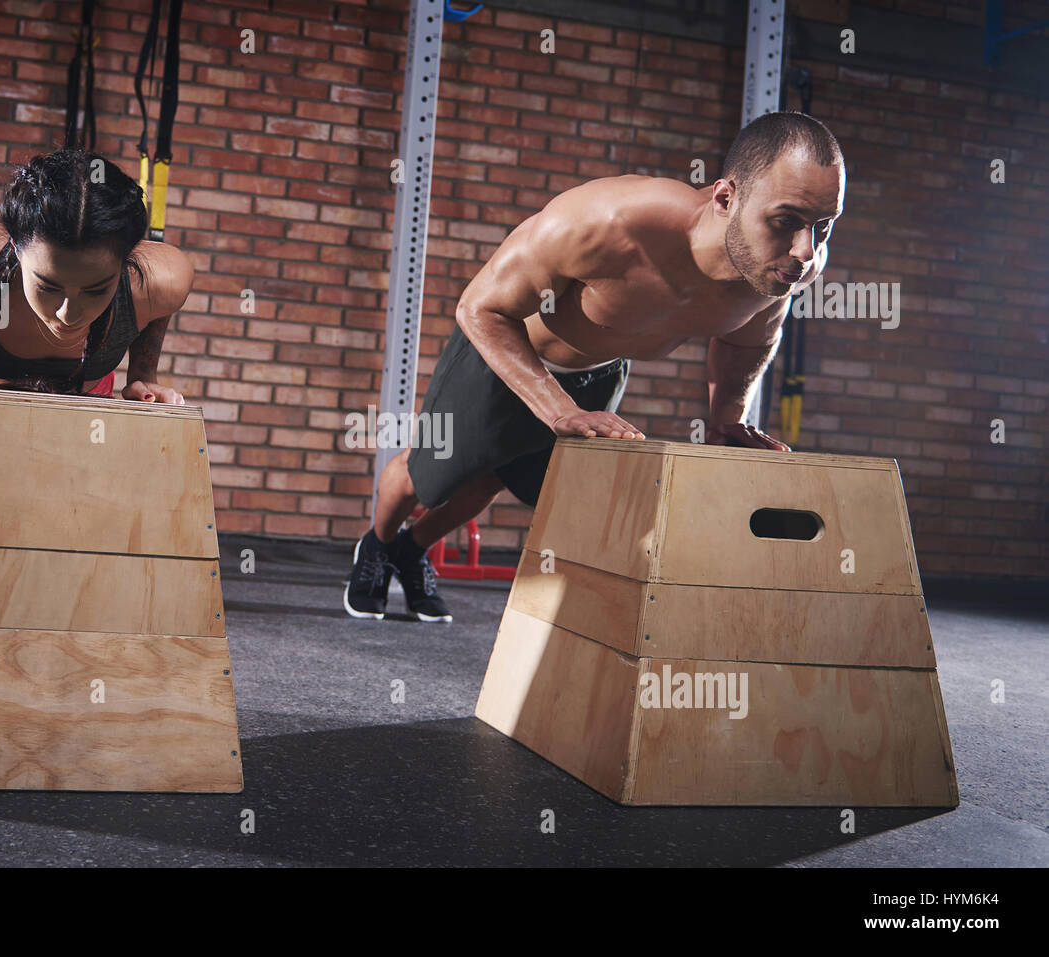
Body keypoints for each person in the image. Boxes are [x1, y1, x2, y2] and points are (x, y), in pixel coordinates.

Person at [346, 111, 844, 622]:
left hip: (597, 373)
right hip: (506, 356)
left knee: (491, 478)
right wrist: (557, 409)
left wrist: (726, 420)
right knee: (428, 474)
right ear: (725, 198)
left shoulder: (782, 268)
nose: (808, 252)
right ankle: (378, 548)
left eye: (824, 226)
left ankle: (412, 550)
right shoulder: (604, 223)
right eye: (786, 221)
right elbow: (482, 308)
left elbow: (749, 340)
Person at [0, 147, 194, 440]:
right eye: (48, 286)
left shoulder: (164, 280)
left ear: (125, 265)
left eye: (95, 289)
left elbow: (160, 303)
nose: (68, 313)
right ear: (16, 250)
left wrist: (143, 375)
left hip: (77, 417)